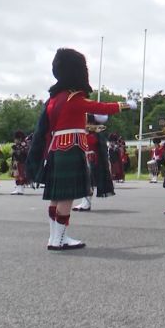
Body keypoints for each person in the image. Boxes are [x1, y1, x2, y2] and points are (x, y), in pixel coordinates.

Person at [25, 48, 133, 250]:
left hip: (56, 149)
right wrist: (126, 105)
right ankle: (60, 239)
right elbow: (101, 107)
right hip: (71, 147)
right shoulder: (72, 97)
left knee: (56, 196)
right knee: (67, 195)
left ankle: (54, 237)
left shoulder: (54, 99)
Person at [73, 114, 116, 211]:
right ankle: (84, 202)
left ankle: (87, 203)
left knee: (88, 182)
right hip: (84, 159)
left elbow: (93, 146)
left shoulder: (95, 136)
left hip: (92, 160)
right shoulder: (85, 134)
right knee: (84, 182)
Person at [11, 131, 30, 195]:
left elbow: (26, 153)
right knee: (16, 176)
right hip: (16, 162)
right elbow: (13, 155)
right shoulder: (14, 146)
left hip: (22, 162)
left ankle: (21, 189)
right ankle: (17, 189)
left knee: (21, 175)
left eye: (16, 139)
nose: (15, 140)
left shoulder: (25, 145)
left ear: (20, 139)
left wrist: (22, 149)